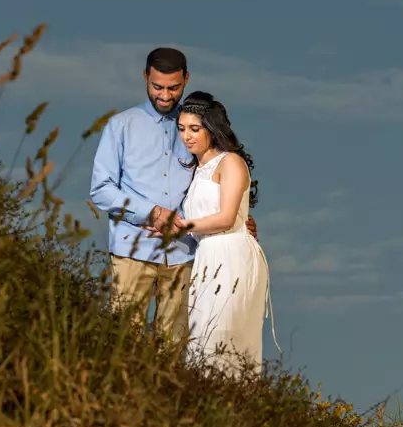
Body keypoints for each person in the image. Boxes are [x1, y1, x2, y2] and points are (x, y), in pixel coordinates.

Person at [89, 48, 257, 343]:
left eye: (173, 87)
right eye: (157, 87)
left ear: (186, 80)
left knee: (175, 349)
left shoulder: (197, 127)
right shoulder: (120, 126)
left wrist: (241, 218)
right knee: (123, 344)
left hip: (185, 254)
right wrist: (152, 212)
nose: (165, 95)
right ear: (145, 78)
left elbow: (219, 175)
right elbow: (101, 190)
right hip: (132, 253)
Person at [174, 91, 277, 374]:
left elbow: (227, 217)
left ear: (212, 127)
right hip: (207, 256)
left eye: (195, 129)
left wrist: (181, 226)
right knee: (203, 339)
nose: (187, 136)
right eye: (181, 128)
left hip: (231, 254)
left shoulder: (230, 162)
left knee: (226, 334)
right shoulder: (198, 169)